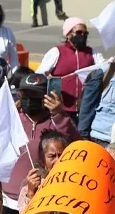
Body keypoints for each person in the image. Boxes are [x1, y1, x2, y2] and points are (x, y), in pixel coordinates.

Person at [6, 73, 80, 205]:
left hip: (44, 197)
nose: (29, 99)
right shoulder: (11, 120)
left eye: (35, 95)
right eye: (25, 94)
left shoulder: (57, 120)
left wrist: (60, 114)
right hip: (9, 199)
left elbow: (76, 145)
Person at [36, 19, 104, 117]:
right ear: (68, 34)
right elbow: (39, 74)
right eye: (79, 32)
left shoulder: (93, 52)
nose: (83, 35)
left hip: (86, 109)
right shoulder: (57, 52)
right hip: (61, 109)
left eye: (85, 33)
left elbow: (105, 68)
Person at [18, 130, 68, 209]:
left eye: (62, 155)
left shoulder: (77, 181)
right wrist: (31, 193)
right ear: (42, 159)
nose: (58, 161)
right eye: (52, 156)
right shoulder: (30, 187)